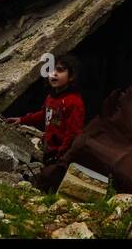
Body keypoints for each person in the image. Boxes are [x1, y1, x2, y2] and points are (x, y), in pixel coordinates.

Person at [7, 54, 85, 192]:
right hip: (49, 150)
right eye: (50, 70)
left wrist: (61, 154)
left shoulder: (73, 102)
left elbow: (73, 133)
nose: (53, 74)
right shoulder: (51, 98)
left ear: (71, 76)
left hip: (62, 155)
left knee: (50, 182)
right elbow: (44, 115)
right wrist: (22, 120)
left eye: (60, 70)